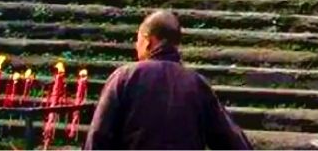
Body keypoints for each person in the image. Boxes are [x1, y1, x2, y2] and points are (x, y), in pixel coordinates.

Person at [83, 10, 251, 150]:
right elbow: (233, 142)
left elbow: (98, 137)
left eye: (138, 40)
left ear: (148, 41)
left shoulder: (125, 78)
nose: (136, 46)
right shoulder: (197, 84)